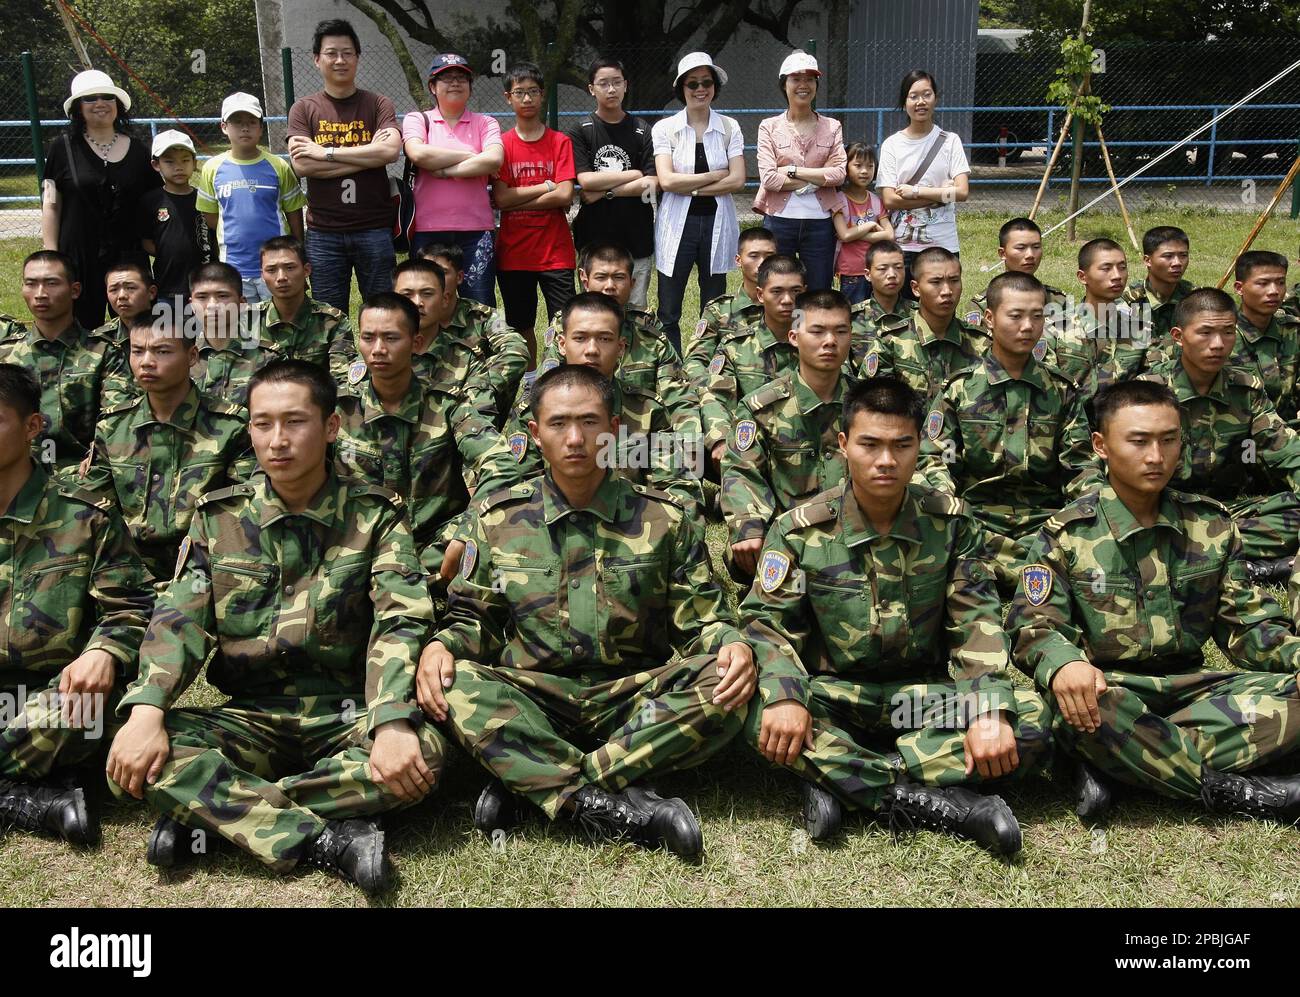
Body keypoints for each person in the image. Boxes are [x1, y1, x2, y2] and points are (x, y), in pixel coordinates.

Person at [106, 360, 445, 894]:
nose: (277, 440)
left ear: (331, 427)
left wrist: (392, 722)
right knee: (141, 751)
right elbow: (180, 618)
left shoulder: (375, 515)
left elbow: (398, 621)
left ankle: (216, 813)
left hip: (347, 713)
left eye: (295, 422)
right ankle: (329, 839)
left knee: (423, 754)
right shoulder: (218, 518)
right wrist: (147, 709)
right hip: (251, 718)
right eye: (262, 424)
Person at [418, 363, 753, 861]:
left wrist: (731, 642)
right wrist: (442, 645)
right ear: (534, 434)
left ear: (614, 430)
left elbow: (701, 621)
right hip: (536, 697)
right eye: (557, 424)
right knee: (453, 681)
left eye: (590, 422)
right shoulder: (499, 520)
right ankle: (615, 799)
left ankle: (537, 784)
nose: (575, 438)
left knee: (728, 680)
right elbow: (476, 622)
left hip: (635, 695)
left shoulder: (665, 518)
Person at [741, 376, 1048, 852]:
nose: (886, 461)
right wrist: (786, 694)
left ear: (920, 445)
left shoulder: (949, 523)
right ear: (843, 444)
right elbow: (766, 622)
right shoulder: (799, 530)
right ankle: (940, 799)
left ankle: (847, 779)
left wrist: (987, 708)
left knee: (1029, 717)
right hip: (833, 699)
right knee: (754, 710)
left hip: (922, 699)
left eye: (901, 445)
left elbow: (977, 620)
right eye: (870, 444)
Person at [1010, 379, 1300, 828]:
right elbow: (1034, 625)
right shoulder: (1067, 534)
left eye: (1169, 440)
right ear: (1101, 446)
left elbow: (1250, 626)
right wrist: (1064, 664)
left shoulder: (1212, 525)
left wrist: (1295, 656)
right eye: (1139, 441)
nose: (1156, 456)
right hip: (1108, 693)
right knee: (1079, 713)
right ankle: (1231, 792)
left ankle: (1128, 765)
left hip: (1194, 691)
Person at [0, 363, 153, 847]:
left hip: (55, 698)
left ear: (32, 427)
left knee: (80, 708)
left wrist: (103, 652)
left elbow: (132, 606)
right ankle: (24, 798)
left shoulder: (82, 512)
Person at [918, 272, 1101, 592]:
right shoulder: (959, 390)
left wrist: (1085, 508)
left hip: (1047, 525)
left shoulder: (1060, 390)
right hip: (976, 523)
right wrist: (952, 508)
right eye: (1015, 316)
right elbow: (934, 461)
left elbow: (1081, 466)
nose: (1027, 326)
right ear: (989, 318)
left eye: (1037, 316)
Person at [335, 292, 519, 584]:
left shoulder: (446, 405)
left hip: (435, 544)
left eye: (391, 338)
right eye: (368, 338)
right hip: (358, 543)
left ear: (416, 343)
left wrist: (464, 533)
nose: (378, 349)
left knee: (503, 533)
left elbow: (502, 465)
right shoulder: (338, 409)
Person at [1135, 288, 1300, 574]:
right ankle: (1231, 559)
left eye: (1228, 333)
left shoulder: (1245, 389)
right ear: (1178, 336)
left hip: (1229, 510)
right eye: (1205, 333)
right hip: (1165, 513)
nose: (1218, 344)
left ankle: (1202, 558)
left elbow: (1285, 448)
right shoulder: (1147, 394)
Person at [79, 313, 250, 587]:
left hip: (206, 570)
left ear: (192, 356)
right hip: (125, 570)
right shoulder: (113, 426)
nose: (146, 362)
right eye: (137, 351)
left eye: (162, 351)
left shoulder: (231, 426)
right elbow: (92, 508)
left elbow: (243, 512)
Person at [505, 292, 703, 515]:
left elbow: (680, 487)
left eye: (604, 339)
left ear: (621, 347)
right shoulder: (531, 414)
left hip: (630, 530)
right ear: (561, 344)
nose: (592, 350)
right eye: (580, 338)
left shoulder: (649, 410)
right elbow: (516, 491)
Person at [722, 289, 856, 579]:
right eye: (817, 331)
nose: (830, 341)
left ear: (851, 336)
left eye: (840, 331)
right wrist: (748, 524)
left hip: (856, 530)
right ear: (794, 337)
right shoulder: (762, 408)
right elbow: (741, 470)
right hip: (788, 534)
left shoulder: (868, 405)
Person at [286, 19, 402, 313]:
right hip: (324, 231)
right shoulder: (303, 108)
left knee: (383, 312)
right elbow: (301, 165)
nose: (340, 60)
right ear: (316, 59)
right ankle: (335, 362)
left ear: (357, 58)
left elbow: (389, 151)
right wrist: (366, 157)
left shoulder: (378, 104)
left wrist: (325, 153)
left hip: (374, 227)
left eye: (348, 53)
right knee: (327, 316)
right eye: (331, 53)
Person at [41, 70, 162, 330]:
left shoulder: (140, 150)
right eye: (89, 99)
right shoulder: (61, 148)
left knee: (138, 329)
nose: (99, 104)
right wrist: (52, 258)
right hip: (78, 255)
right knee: (80, 328)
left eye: (107, 97)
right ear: (77, 108)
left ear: (117, 104)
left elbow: (155, 205)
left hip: (129, 256)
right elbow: (51, 205)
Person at [538, 241, 696, 434]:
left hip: (635, 434)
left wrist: (690, 447)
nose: (610, 286)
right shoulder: (567, 327)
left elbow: (678, 397)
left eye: (618, 277)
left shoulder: (648, 332)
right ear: (585, 280)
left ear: (632, 283)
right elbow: (546, 388)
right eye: (601, 277)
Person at [652, 52, 746, 353]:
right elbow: (667, 181)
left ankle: (709, 365)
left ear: (715, 86)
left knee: (714, 305)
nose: (700, 89)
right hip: (678, 226)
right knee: (669, 308)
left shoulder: (730, 126)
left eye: (706, 82)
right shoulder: (665, 129)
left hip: (717, 223)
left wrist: (689, 187)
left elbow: (737, 180)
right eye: (692, 83)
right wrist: (715, 176)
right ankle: (671, 367)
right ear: (682, 88)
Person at [0, 251, 125, 472]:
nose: (40, 293)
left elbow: (118, 420)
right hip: (15, 477)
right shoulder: (6, 355)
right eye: (31, 284)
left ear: (74, 290)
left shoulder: (104, 353)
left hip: (83, 479)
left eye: (51, 283)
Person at [400, 53, 503, 306]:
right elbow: (418, 153)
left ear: (469, 87)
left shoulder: (485, 122)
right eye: (446, 78)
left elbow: (493, 161)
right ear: (433, 87)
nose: (455, 82)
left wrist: (445, 170)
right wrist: (470, 154)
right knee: (426, 305)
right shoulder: (418, 120)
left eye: (461, 78)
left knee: (480, 305)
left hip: (476, 231)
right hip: (427, 230)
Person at [493, 62, 577, 364]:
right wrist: (545, 187)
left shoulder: (560, 142)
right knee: (521, 323)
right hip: (514, 252)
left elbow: (565, 194)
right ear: (508, 97)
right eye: (519, 93)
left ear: (542, 96)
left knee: (565, 321)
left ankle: (561, 375)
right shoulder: (501, 145)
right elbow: (501, 199)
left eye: (532, 92)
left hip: (555, 251)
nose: (526, 99)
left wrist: (515, 199)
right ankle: (529, 379)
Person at [699, 255, 807, 469]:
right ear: (760, 295)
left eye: (795, 291)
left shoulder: (820, 343)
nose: (787, 300)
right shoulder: (736, 346)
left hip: (807, 448)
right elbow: (715, 396)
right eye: (777, 291)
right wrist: (721, 438)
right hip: (750, 449)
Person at [197, 93, 306, 304]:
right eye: (237, 122)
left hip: (277, 267)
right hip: (235, 265)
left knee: (280, 321)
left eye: (251, 122)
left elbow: (294, 214)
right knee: (244, 328)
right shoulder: (212, 168)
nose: (245, 128)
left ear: (261, 128)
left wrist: (298, 254)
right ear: (224, 127)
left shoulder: (279, 166)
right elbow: (210, 216)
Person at [753, 51, 847, 293]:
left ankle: (809, 331)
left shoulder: (832, 126)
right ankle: (783, 332)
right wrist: (818, 177)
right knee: (778, 287)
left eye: (810, 79)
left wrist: (793, 171)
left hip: (821, 223)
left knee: (818, 290)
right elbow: (769, 179)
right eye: (796, 79)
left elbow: (839, 175)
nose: (803, 85)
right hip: (779, 220)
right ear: (784, 84)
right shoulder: (769, 127)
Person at [569, 58, 658, 310]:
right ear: (591, 88)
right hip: (593, 238)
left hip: (636, 237)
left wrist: (605, 192)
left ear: (626, 85)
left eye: (617, 82)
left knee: (635, 310)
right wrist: (633, 174)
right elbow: (586, 180)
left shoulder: (642, 129)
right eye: (604, 83)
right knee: (594, 311)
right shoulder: (581, 130)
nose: (611, 89)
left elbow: (652, 182)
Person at [877, 70, 970, 298]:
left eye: (926, 94)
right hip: (904, 246)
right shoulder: (892, 145)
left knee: (943, 307)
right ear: (904, 101)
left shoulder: (950, 141)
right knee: (904, 312)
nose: (921, 102)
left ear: (935, 98)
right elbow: (889, 199)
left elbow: (962, 192)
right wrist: (942, 193)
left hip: (943, 243)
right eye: (913, 96)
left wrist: (914, 192)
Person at [413, 243, 528, 420]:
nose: (433, 279)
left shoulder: (484, 316)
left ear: (459, 277)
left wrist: (479, 385)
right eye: (427, 271)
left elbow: (516, 350)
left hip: (473, 400)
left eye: (442, 273)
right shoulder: (407, 317)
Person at [863, 247, 988, 404]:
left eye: (954, 280)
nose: (947, 291)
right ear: (916, 288)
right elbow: (872, 407)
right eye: (936, 282)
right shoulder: (890, 342)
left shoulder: (981, 343)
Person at [253, 236, 355, 383]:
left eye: (290, 267)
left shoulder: (332, 321)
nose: (281, 277)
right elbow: (234, 381)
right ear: (262, 275)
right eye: (271, 270)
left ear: (306, 270)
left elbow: (343, 380)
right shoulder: (246, 320)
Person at [684, 227, 777, 385]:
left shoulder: (793, 310)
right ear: (738, 260)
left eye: (769, 256)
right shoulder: (719, 310)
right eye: (753, 256)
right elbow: (695, 361)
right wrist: (711, 394)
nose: (762, 263)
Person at [189, 262, 275, 409]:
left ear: (242, 304)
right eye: (202, 297)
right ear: (191, 305)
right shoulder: (182, 357)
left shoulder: (268, 358)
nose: (212, 305)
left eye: (222, 296)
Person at [138, 130, 209, 304]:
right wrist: (168, 250)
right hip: (168, 287)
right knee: (169, 330)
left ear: (194, 162)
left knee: (207, 330)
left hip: (204, 285)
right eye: (169, 161)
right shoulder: (151, 201)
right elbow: (146, 241)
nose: (178, 167)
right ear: (156, 165)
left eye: (185, 160)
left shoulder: (204, 198)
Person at [1231, 250, 1300, 427]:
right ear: (1239, 288)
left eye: (1280, 282)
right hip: (1240, 437)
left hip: (1290, 432)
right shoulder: (1222, 336)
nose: (1274, 291)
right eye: (1263, 283)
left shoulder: (1292, 329)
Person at [1066, 237, 1138, 392]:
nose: (1117, 275)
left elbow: (1160, 373)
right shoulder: (1058, 330)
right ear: (1082, 277)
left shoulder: (1139, 329)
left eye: (1122, 267)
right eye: (1106, 268)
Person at [832, 143, 893, 305]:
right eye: (858, 166)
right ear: (845, 168)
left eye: (870, 166)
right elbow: (844, 235)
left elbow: (889, 235)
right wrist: (870, 225)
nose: (865, 171)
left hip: (876, 270)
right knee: (855, 317)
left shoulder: (875, 200)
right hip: (851, 273)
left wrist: (857, 234)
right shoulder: (839, 199)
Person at [1122, 225, 1194, 351]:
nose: (1177, 263)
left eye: (1183, 255)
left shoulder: (1195, 299)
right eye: (1168, 256)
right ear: (1147, 260)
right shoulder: (1128, 302)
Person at [848, 240, 915, 367]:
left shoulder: (919, 315)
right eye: (882, 269)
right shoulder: (851, 318)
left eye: (898, 267)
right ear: (868, 274)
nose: (892, 275)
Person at [95, 256, 157, 348]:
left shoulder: (173, 333)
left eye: (130, 288)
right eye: (114, 289)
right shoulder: (99, 339)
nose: (122, 296)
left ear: (151, 292)